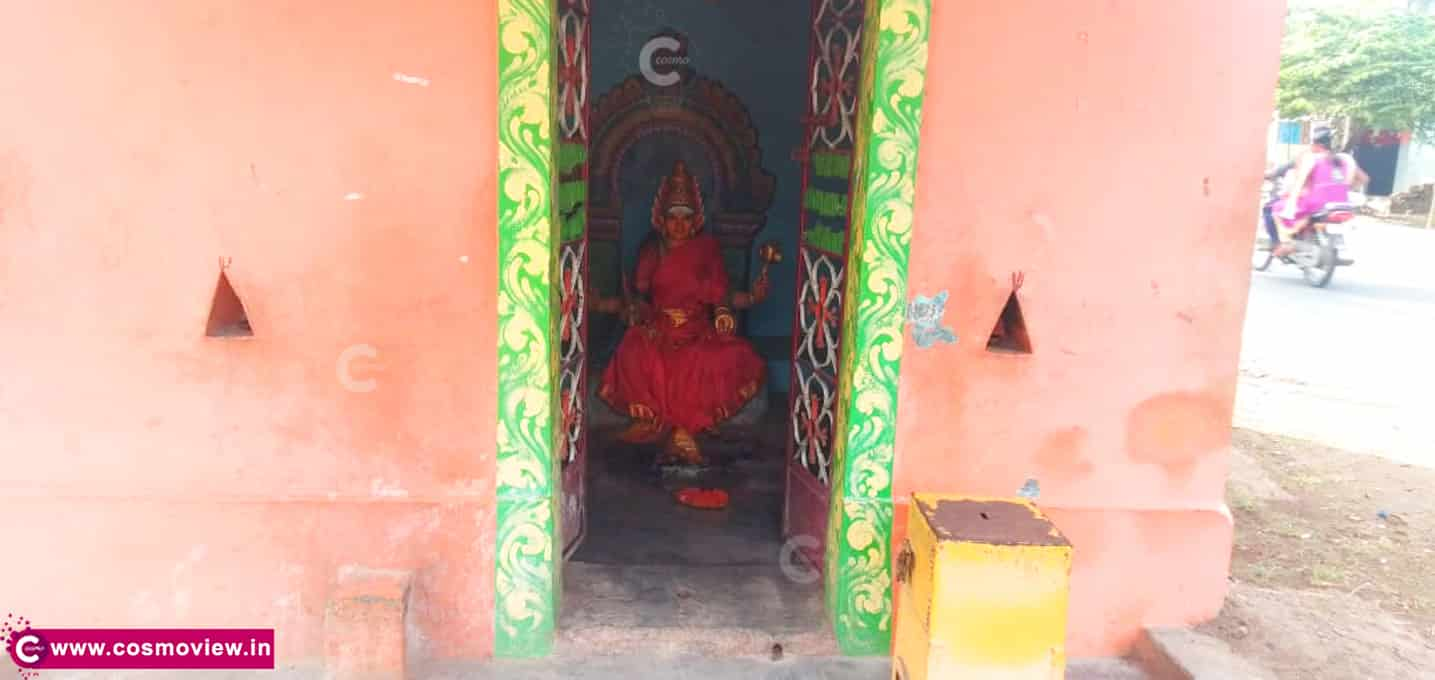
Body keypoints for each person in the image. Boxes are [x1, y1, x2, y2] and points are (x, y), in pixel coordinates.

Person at [594, 160, 769, 465]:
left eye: (685, 217)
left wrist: (734, 308)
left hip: (697, 329)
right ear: (661, 219)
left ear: (696, 219)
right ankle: (665, 425)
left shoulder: (708, 250)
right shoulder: (652, 251)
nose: (679, 224)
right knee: (634, 348)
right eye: (672, 216)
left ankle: (680, 430)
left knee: (723, 356)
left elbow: (721, 297)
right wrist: (640, 315)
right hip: (660, 327)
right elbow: (640, 299)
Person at [1269, 126, 1361, 257]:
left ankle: (1286, 243)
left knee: (1277, 208)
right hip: (1342, 202)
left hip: (1319, 202)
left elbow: (1300, 182)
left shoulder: (1312, 159)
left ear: (1317, 144)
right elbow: (1348, 182)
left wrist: (1291, 199)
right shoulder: (1344, 160)